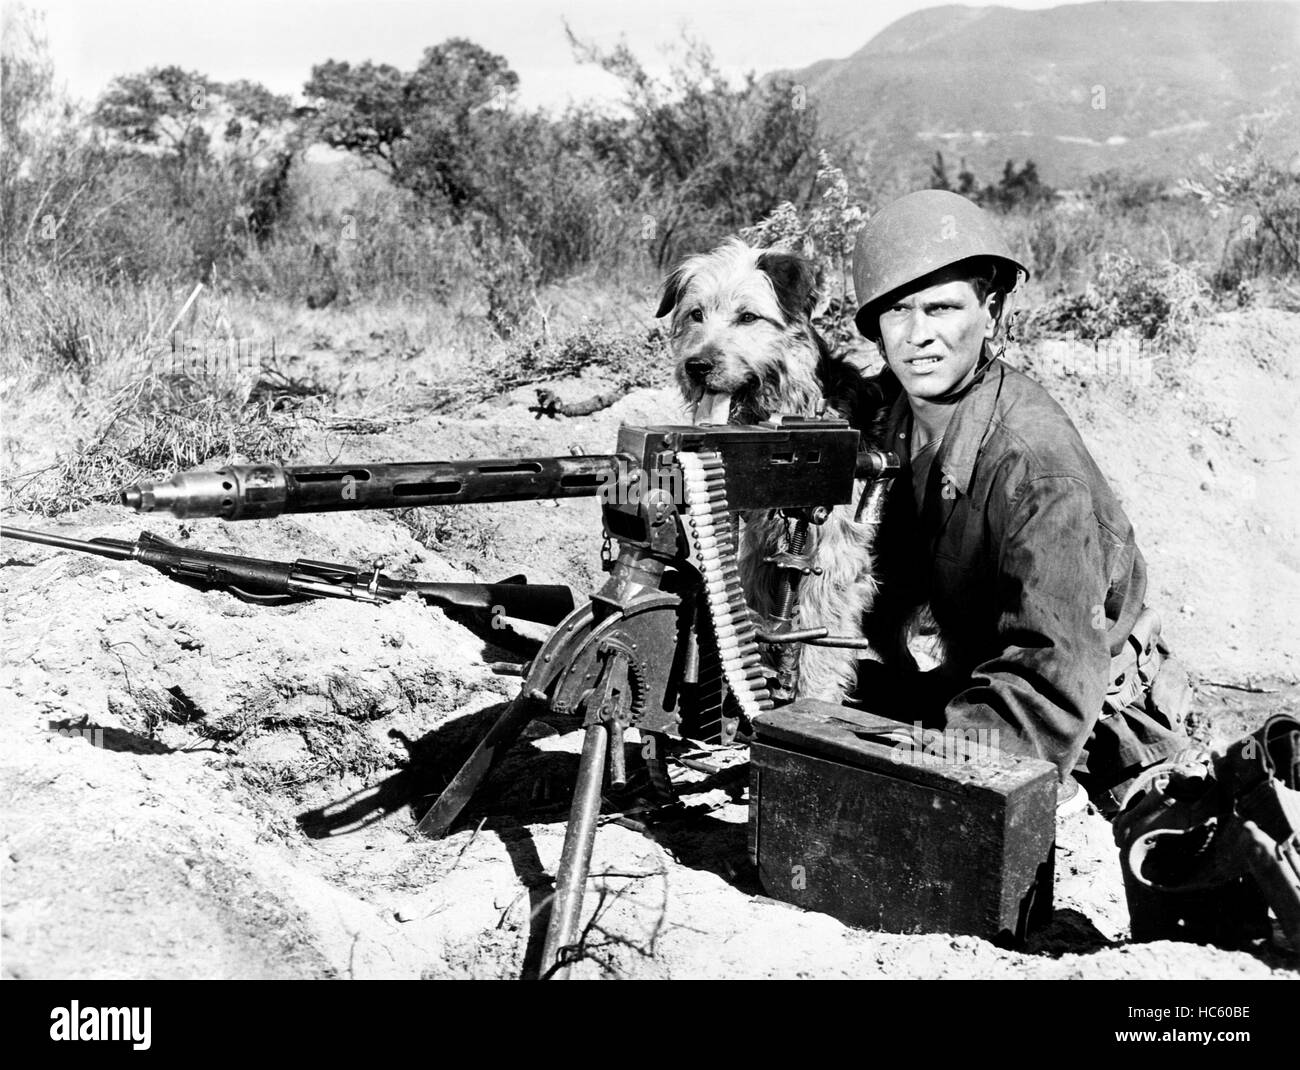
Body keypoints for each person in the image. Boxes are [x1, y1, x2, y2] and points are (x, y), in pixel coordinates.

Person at [850, 189, 1193, 814]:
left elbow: (1053, 671)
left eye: (943, 308)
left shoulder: (1036, 466)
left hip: (1074, 709)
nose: (919, 336)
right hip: (970, 674)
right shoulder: (894, 412)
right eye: (899, 311)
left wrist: (937, 767)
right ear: (875, 328)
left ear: (990, 309)